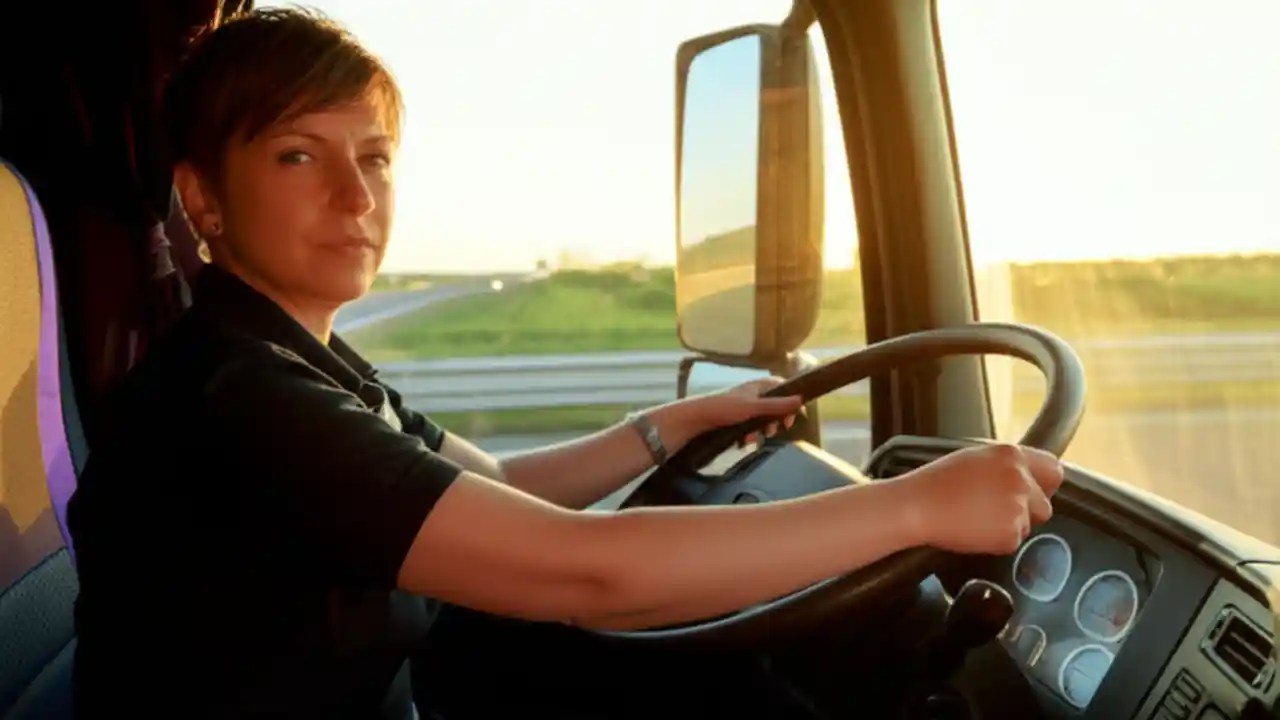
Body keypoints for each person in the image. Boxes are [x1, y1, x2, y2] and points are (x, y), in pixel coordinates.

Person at [64, 7, 1064, 719]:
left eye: (372, 158)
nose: (356, 196)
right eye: (298, 155)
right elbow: (584, 573)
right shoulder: (238, 401)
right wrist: (911, 509)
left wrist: (667, 430)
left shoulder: (294, 358)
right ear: (201, 201)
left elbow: (488, 488)